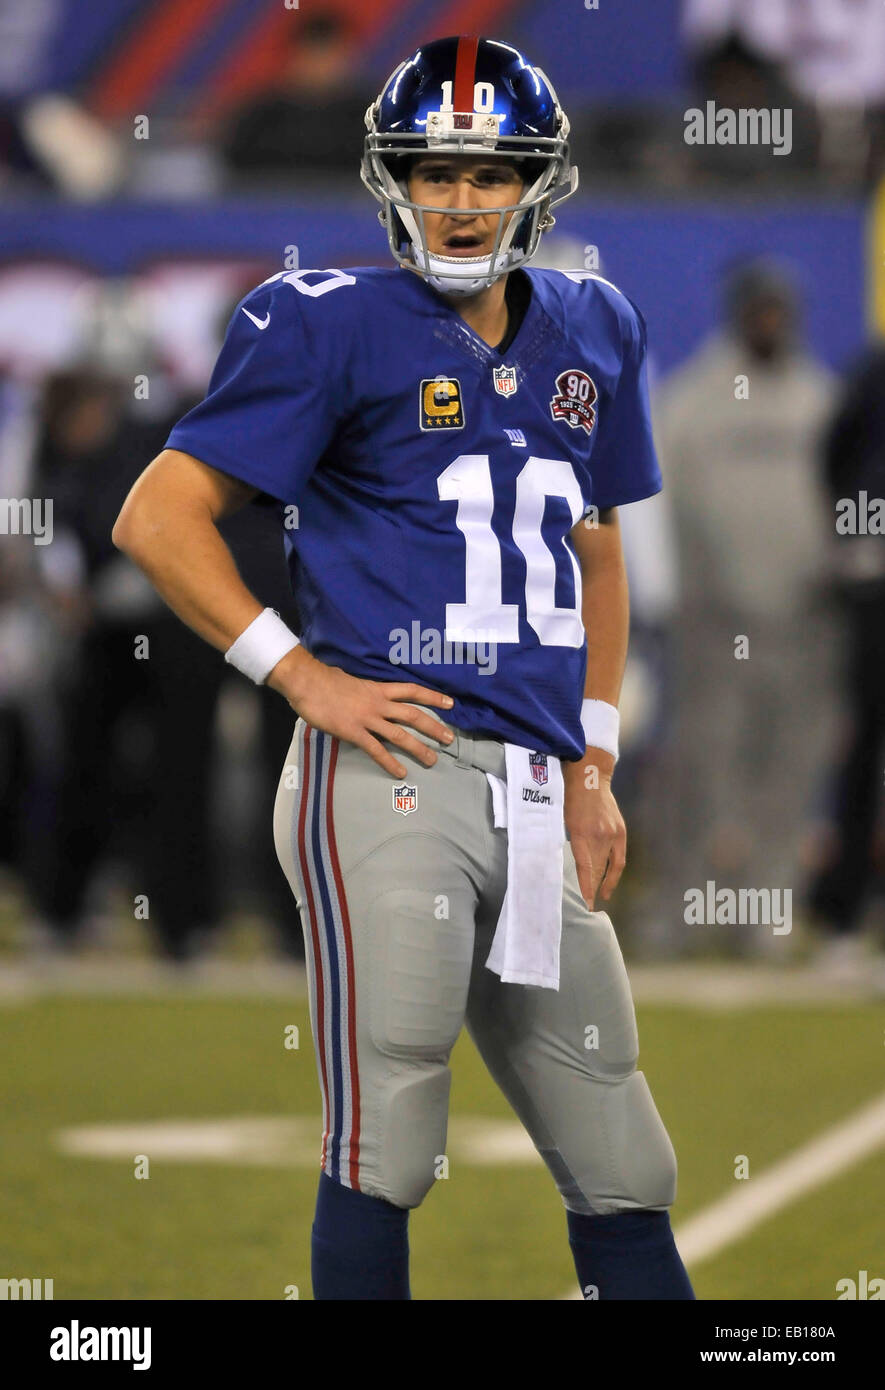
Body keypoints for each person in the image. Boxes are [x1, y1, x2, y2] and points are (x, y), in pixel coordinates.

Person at [113, 35, 694, 1301]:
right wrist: (302, 677)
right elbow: (157, 514)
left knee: (624, 1156)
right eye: (435, 170)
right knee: (391, 1139)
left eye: (491, 172)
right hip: (392, 769)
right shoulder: (327, 320)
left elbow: (598, 559)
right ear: (392, 179)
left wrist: (594, 753)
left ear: (540, 184)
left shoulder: (596, 324)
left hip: (540, 789)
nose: (462, 198)